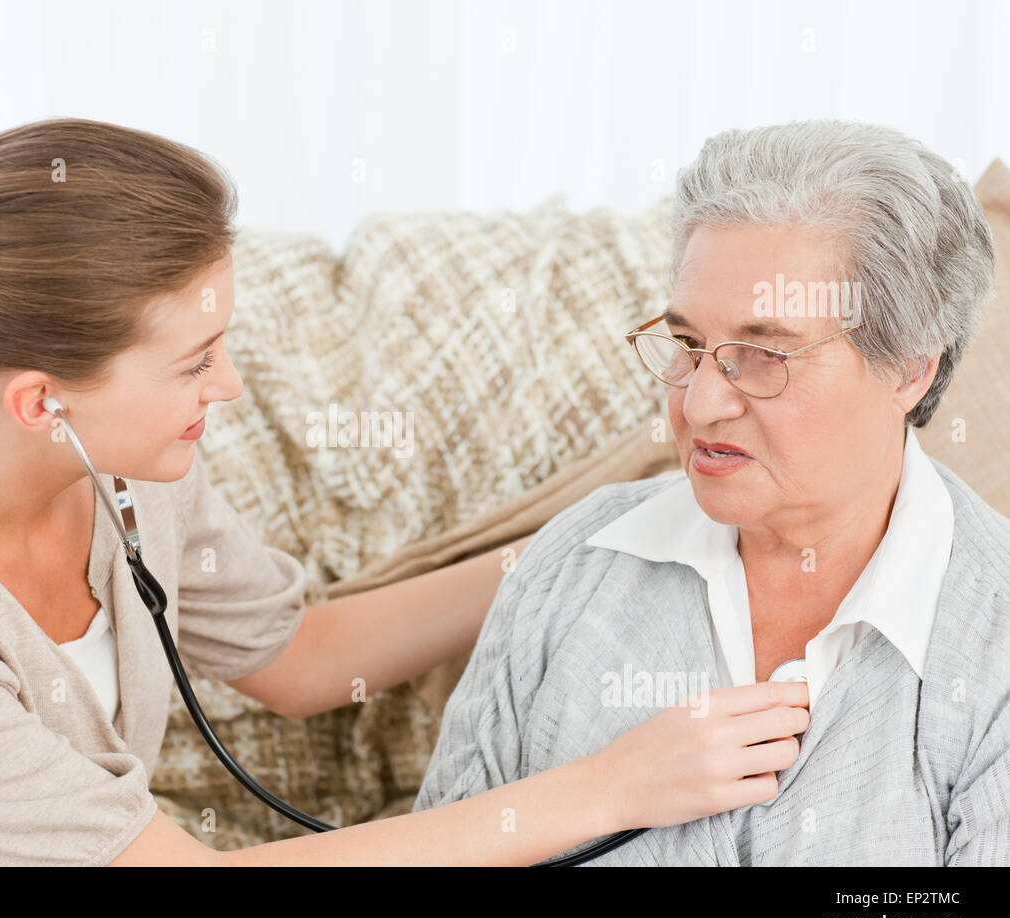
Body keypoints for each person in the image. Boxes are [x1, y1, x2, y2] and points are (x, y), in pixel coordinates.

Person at [0, 118, 807, 866]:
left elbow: (303, 657)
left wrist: (582, 542)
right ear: (45, 401)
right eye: (194, 361)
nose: (227, 386)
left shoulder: (123, 475)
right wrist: (614, 789)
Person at [413, 119, 1009, 866]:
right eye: (689, 345)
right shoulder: (572, 563)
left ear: (908, 368)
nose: (697, 406)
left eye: (762, 355)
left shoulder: (992, 642)